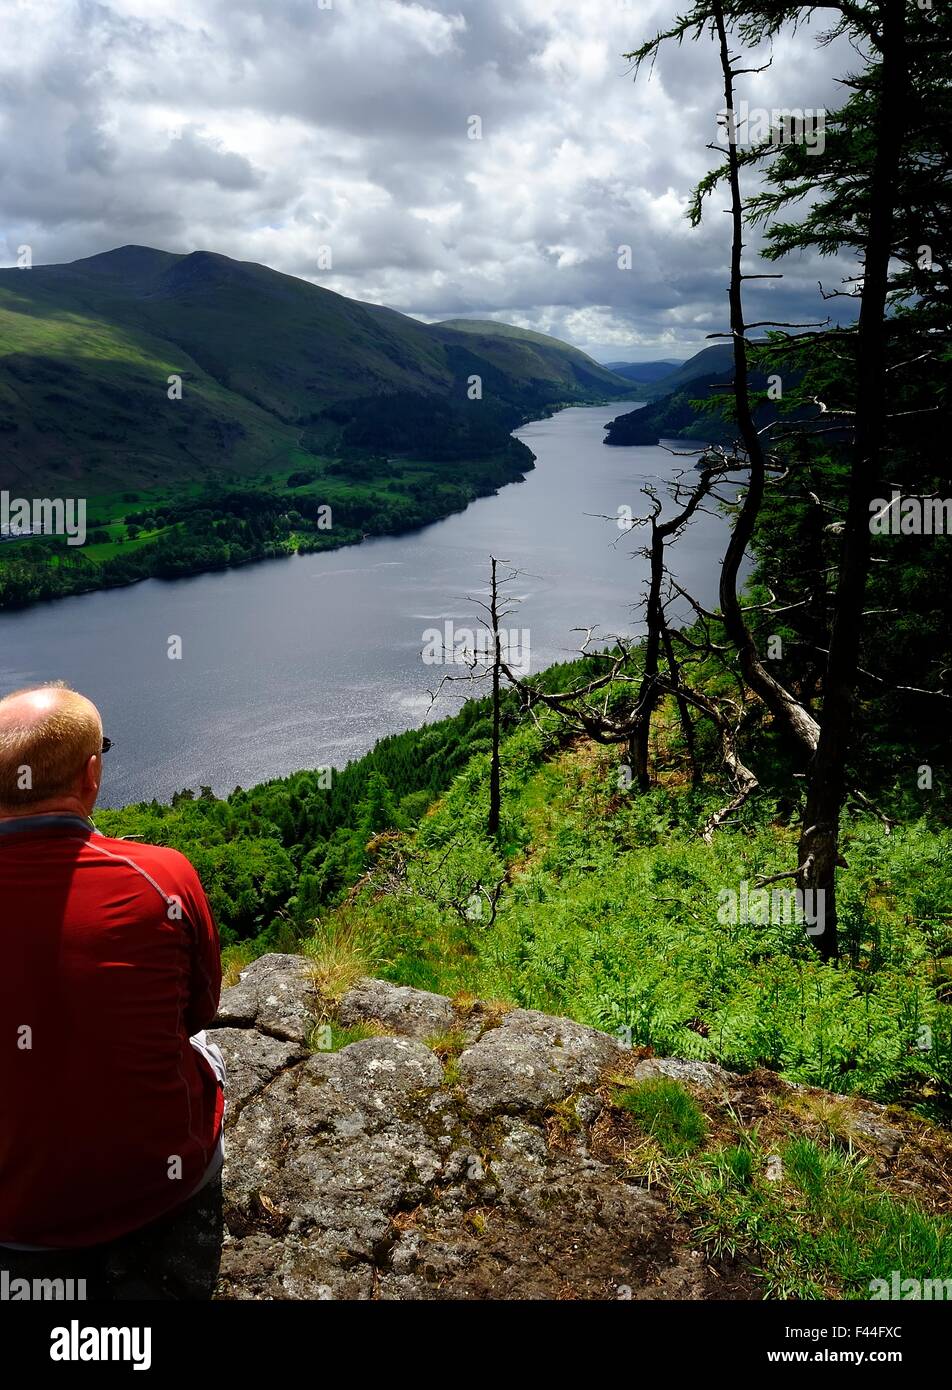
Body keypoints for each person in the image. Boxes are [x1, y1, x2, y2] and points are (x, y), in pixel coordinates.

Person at [0, 682, 224, 1253]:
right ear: (91, 774)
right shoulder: (162, 877)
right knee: (208, 1053)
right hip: (159, 1188)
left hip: (12, 1221)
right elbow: (200, 1013)